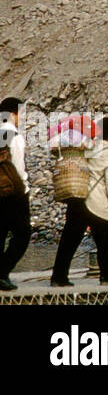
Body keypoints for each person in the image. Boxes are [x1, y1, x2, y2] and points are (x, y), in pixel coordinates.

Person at [51, 116, 108, 287]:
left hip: (77, 197)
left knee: (69, 241)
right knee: (104, 241)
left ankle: (58, 277)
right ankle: (107, 276)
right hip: (97, 202)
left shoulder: (86, 146)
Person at [0, 98, 29, 292]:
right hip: (13, 192)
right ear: (13, 114)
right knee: (23, 234)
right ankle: (2, 272)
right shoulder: (13, 135)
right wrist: (24, 187)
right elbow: (18, 167)